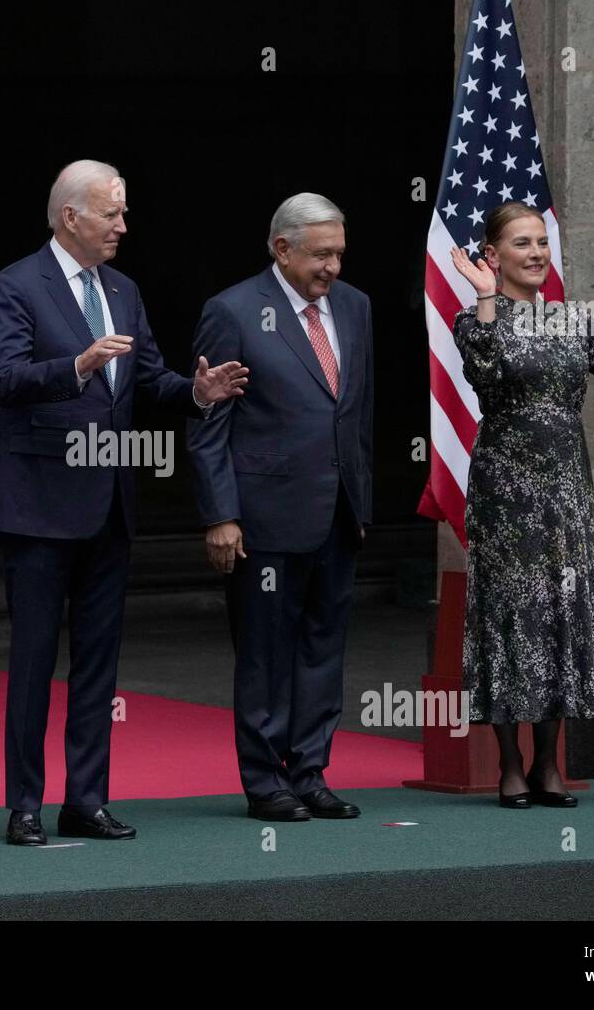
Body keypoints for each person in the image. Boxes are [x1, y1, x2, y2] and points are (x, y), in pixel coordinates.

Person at [0, 159, 249, 846]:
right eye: (112, 213)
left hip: (109, 506)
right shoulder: (17, 285)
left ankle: (87, 799)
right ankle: (22, 804)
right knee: (35, 661)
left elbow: (149, 380)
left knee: (99, 666)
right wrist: (76, 366)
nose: (124, 227)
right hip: (39, 507)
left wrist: (198, 392)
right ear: (70, 216)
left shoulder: (124, 290)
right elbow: (6, 380)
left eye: (124, 213)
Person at [449, 201, 594, 808]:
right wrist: (488, 299)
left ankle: (550, 764)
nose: (537, 253)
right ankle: (510, 765)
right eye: (522, 243)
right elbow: (488, 373)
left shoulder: (574, 320)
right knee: (508, 618)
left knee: (556, 615)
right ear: (493, 256)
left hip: (565, 491)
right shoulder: (474, 320)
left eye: (542, 243)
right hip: (504, 495)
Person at [186, 193, 373, 823]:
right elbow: (209, 424)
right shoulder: (233, 311)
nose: (333, 268)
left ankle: (311, 772)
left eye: (340, 254)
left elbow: (356, 413)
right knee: (265, 652)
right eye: (321, 254)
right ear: (281, 248)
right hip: (262, 518)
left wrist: (363, 497)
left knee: (323, 647)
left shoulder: (355, 308)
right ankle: (266, 782)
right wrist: (220, 514)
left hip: (339, 512)